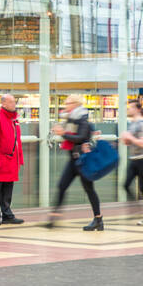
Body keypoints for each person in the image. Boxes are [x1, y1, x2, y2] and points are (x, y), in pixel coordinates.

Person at [48, 94, 103, 231]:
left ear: (76, 104)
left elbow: (81, 137)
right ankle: (53, 219)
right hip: (74, 159)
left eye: (69, 103)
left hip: (83, 160)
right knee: (62, 186)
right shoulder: (70, 119)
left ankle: (98, 219)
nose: (66, 106)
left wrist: (63, 134)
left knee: (89, 189)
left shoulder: (82, 119)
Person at [0, 94, 25, 224]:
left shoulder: (13, 120)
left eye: (14, 101)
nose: (14, 104)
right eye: (11, 102)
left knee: (8, 189)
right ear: (3, 104)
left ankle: (7, 214)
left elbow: (17, 141)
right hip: (0, 161)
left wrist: (20, 158)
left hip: (11, 161)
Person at [120, 99, 143, 225]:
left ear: (137, 109)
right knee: (125, 184)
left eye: (130, 108)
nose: (128, 110)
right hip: (134, 159)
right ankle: (136, 208)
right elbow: (130, 141)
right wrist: (126, 140)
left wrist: (130, 137)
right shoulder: (133, 124)